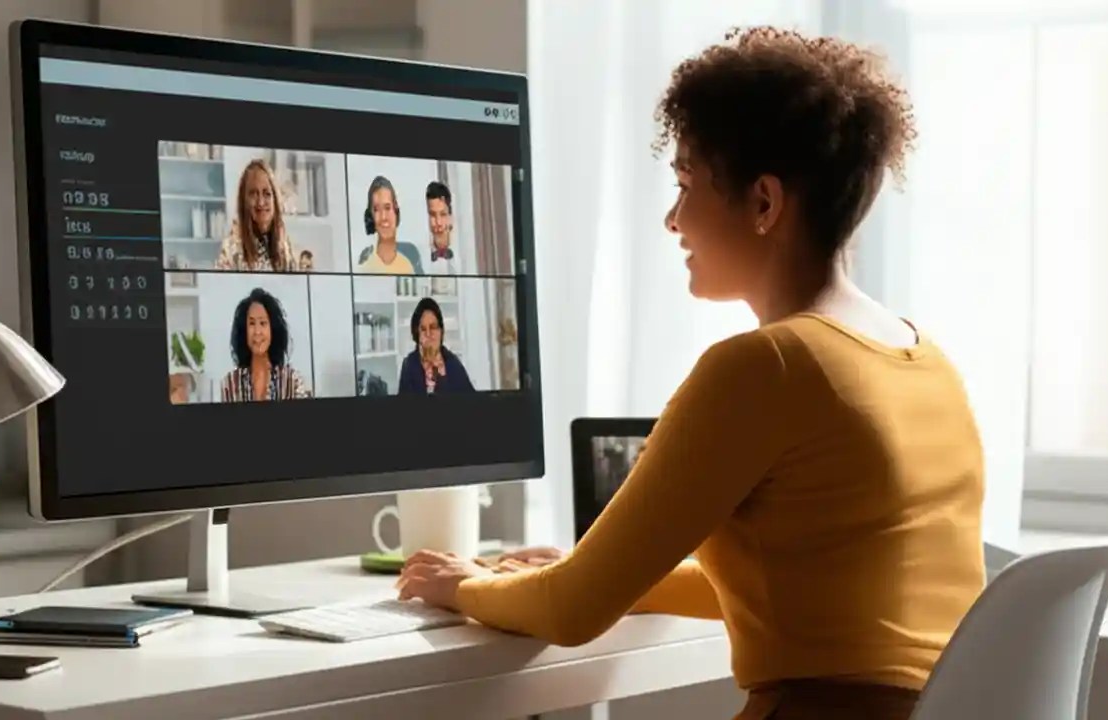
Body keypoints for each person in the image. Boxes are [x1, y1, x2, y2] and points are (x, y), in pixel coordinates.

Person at [396, 26, 984, 720]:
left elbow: (571, 613)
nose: (673, 219)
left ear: (764, 204)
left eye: (685, 184)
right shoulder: (926, 359)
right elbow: (792, 584)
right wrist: (611, 573)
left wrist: (463, 586)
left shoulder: (766, 368)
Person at [220, 287, 311, 401]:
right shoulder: (230, 384)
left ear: (273, 329)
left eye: (263, 323)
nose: (257, 331)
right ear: (244, 330)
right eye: (252, 323)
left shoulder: (292, 382)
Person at [215, 159, 296, 272]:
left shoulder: (284, 245)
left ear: (275, 200)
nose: (261, 202)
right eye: (253, 194)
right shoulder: (230, 249)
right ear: (244, 201)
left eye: (267, 193)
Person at [398, 297, 474, 394]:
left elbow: (471, 401)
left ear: (441, 331)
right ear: (417, 334)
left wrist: (440, 373)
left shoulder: (452, 362)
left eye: (433, 327)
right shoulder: (409, 365)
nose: (428, 334)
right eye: (423, 329)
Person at [357, 176, 424, 274]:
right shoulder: (365, 267)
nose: (383, 217)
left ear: (395, 210)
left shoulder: (409, 264)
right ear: (370, 216)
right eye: (376, 210)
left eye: (387, 208)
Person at [425, 181, 456, 274]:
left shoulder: (465, 258)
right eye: (433, 215)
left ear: (450, 217)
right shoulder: (421, 258)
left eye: (443, 214)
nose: (438, 223)